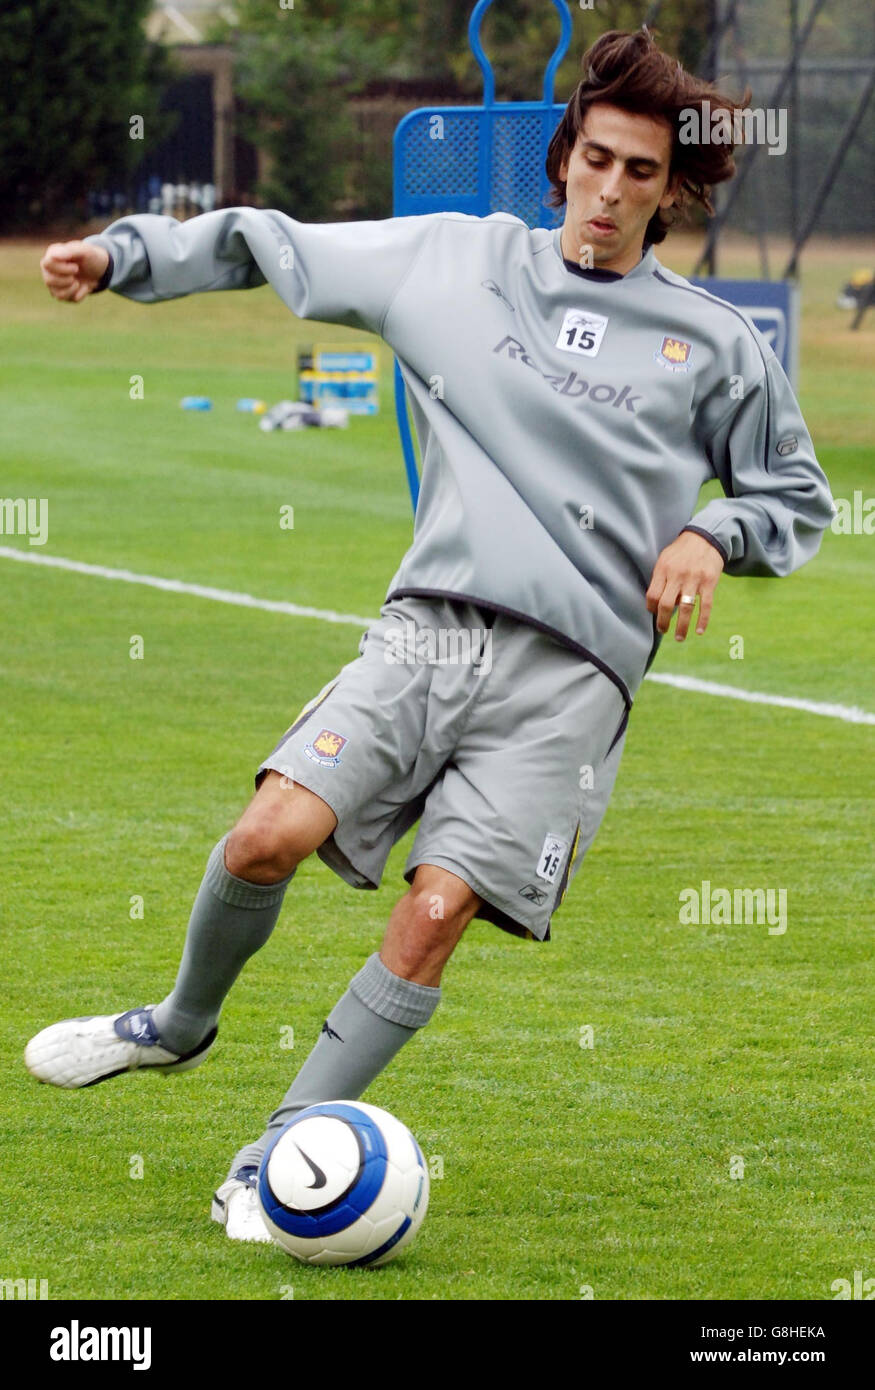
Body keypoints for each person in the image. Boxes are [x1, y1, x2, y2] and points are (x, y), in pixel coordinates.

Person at [27, 29, 833, 1245]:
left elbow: (795, 500)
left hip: (572, 682)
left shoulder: (717, 345)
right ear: (563, 158)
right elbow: (268, 241)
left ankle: (278, 1153)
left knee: (438, 906)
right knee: (265, 837)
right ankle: (179, 1023)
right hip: (430, 633)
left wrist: (711, 536)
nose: (609, 193)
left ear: (672, 192)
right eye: (596, 160)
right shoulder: (451, 261)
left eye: (639, 174)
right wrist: (122, 250)